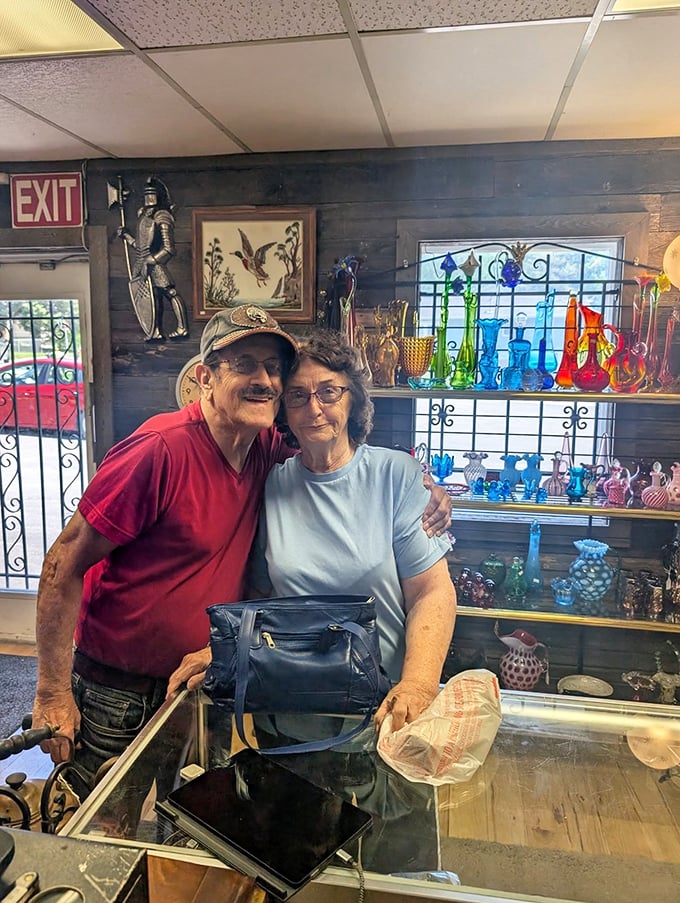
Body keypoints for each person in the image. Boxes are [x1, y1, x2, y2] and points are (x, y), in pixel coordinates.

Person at [32, 305, 451, 785]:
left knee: (188, 825)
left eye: (273, 368)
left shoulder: (265, 452)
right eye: (245, 364)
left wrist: (427, 489)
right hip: (118, 689)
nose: (265, 380)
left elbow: (342, 467)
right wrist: (50, 692)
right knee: (101, 829)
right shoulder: (159, 450)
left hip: (202, 683)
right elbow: (62, 563)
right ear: (205, 377)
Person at [253, 329, 457, 736]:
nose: (314, 409)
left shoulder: (395, 475)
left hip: (383, 712)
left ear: (353, 400)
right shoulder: (271, 483)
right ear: (283, 410)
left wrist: (416, 684)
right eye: (297, 396)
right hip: (291, 710)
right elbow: (260, 595)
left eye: (329, 392)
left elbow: (432, 592)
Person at [117, 176, 189, 341]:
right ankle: (155, 331)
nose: (148, 196)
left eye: (152, 192)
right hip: (142, 264)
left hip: (153, 263)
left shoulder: (162, 216)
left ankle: (182, 328)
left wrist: (152, 260)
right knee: (151, 297)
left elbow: (169, 249)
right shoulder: (144, 216)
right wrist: (126, 236)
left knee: (170, 292)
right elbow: (141, 246)